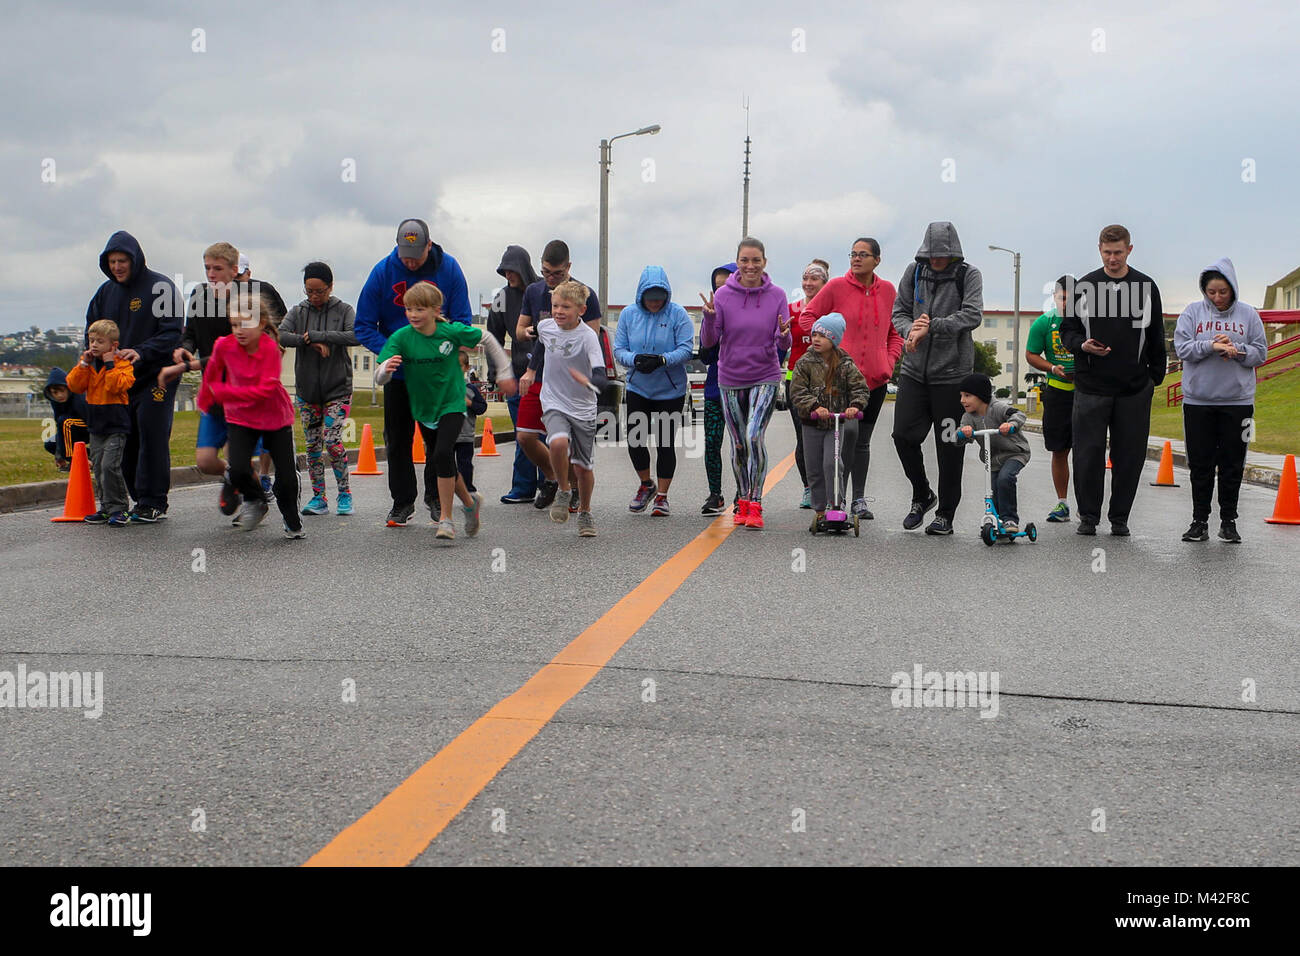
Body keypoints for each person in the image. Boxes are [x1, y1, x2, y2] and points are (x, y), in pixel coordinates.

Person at [355, 218, 475, 527]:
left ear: (429, 246)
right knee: (397, 439)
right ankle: (402, 501)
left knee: (437, 444)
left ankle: (437, 498)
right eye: (404, 253)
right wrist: (391, 354)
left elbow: (461, 318)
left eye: (416, 254)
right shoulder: (383, 271)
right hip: (399, 375)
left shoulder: (448, 269)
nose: (409, 260)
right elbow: (364, 325)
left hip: (436, 376)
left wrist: (450, 352)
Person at [374, 282, 516, 540]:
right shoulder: (401, 337)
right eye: (408, 309)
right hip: (424, 409)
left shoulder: (450, 332)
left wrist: (504, 371)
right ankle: (471, 505)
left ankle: (446, 520)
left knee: (441, 454)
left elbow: (487, 338)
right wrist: (385, 370)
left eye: (419, 309)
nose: (413, 314)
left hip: (452, 403)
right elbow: (380, 377)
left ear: (435, 309)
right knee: (445, 461)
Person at [1059, 224, 1166, 536]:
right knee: (1087, 454)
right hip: (1092, 385)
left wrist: (1154, 377)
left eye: (1118, 252)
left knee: (1129, 456)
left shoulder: (1146, 286)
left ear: (1129, 250)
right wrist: (1082, 345)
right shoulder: (1085, 286)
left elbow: (1156, 333)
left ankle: (1119, 518)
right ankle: (1088, 517)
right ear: (1099, 249)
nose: (1113, 258)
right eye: (1107, 252)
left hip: (1134, 387)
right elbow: (1068, 330)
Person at [160, 242, 272, 516]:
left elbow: (237, 350)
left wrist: (187, 368)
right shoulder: (199, 296)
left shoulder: (245, 302)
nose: (211, 273)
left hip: (240, 391)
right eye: (207, 268)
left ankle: (255, 501)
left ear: (234, 270)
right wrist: (184, 347)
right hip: (213, 390)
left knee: (239, 461)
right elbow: (191, 333)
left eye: (217, 268)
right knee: (206, 461)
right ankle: (233, 479)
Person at [890, 221, 984, 536]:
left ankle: (945, 514)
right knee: (902, 436)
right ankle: (922, 494)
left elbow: (973, 314)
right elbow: (899, 312)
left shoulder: (967, 275)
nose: (936, 261)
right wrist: (910, 331)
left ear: (954, 252)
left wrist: (935, 326)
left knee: (949, 446)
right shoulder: (914, 273)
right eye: (931, 255)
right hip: (914, 373)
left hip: (952, 378)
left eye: (942, 255)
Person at [84, 231, 182, 523]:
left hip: (157, 375)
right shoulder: (105, 292)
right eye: (112, 261)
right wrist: (91, 362)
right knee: (123, 436)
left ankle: (154, 501)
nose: (117, 266)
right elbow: (92, 332)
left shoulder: (160, 287)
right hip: (119, 380)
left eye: (122, 260)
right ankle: (126, 501)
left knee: (151, 431)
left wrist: (141, 351)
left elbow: (172, 332)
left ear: (135, 259)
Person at [802, 238, 902, 519]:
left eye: (863, 255)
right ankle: (838, 500)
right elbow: (808, 318)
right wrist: (827, 347)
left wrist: (889, 361)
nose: (856, 259)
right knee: (843, 438)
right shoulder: (835, 287)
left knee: (862, 441)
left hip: (875, 380)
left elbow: (895, 333)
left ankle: (859, 499)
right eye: (853, 254)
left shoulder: (889, 291)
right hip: (840, 380)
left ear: (877, 260)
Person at [1173, 257, 1268, 544]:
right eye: (1211, 292)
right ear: (1204, 290)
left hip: (1239, 402)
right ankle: (1199, 520)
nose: (1217, 298)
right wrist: (1211, 346)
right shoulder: (1192, 313)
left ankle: (1229, 521)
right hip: (1198, 401)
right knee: (1200, 463)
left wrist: (1236, 350)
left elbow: (1261, 353)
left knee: (1233, 462)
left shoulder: (1249, 315)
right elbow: (1182, 348)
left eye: (1223, 292)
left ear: (1233, 289)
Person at [700, 237, 791, 530]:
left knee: (754, 436)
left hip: (764, 374)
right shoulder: (724, 295)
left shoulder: (777, 295)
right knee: (739, 443)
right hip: (730, 378)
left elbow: (784, 342)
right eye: (745, 260)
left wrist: (784, 335)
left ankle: (756, 502)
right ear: (737, 262)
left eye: (756, 260)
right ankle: (741, 500)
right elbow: (709, 342)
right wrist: (708, 319)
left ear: (764, 262)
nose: (750, 266)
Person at [197, 291, 304, 538]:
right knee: (237, 470)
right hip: (241, 417)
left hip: (274, 417)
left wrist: (224, 392)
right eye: (234, 324)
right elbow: (211, 377)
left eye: (245, 324)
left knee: (286, 479)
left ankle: (291, 520)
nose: (238, 330)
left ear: (261, 324)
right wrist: (206, 403)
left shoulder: (269, 348)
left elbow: (264, 390)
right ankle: (257, 500)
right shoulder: (223, 345)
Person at [514, 239, 605, 512]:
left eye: (557, 273)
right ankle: (554, 478)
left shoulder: (583, 294)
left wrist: (590, 380)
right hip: (541, 375)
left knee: (574, 451)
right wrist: (530, 336)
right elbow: (520, 331)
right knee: (526, 436)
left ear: (569, 267)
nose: (551, 279)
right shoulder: (533, 291)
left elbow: (592, 337)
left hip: (575, 383)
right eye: (545, 272)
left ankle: (575, 490)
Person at [614, 266, 694, 516]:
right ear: (641, 295)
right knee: (636, 440)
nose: (655, 302)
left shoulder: (678, 314)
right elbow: (619, 349)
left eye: (660, 297)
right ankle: (646, 484)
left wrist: (662, 360)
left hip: (670, 389)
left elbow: (686, 348)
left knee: (664, 442)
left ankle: (662, 496)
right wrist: (636, 359)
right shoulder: (628, 314)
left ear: (667, 295)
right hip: (639, 385)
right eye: (650, 297)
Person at [279, 262, 358, 517]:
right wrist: (308, 341)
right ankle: (318, 497)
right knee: (313, 445)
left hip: (338, 388)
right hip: (307, 391)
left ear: (330, 287)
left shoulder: (344, 310)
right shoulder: (298, 311)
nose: (314, 297)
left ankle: (344, 494)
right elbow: (279, 335)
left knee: (333, 440)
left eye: (319, 291)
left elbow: (355, 336)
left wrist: (320, 335)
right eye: (309, 291)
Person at [789, 314, 870, 532]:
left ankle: (837, 504)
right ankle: (819, 510)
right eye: (814, 334)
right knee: (814, 467)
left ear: (834, 340)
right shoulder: (804, 363)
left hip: (836, 424)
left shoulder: (845, 363)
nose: (816, 339)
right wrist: (815, 407)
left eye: (822, 336)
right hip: (812, 423)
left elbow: (860, 388)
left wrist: (855, 406)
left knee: (833, 464)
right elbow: (797, 391)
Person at [486, 245, 543, 504]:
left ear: (523, 267)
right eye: (504, 271)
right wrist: (496, 371)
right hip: (518, 372)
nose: (508, 276)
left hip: (546, 373)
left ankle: (549, 481)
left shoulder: (542, 291)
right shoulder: (501, 298)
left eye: (512, 270)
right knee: (523, 432)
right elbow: (492, 337)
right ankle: (523, 487)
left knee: (545, 432)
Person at [66, 320, 135, 526]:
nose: (94, 345)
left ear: (113, 345)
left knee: (109, 466)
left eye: (100, 341)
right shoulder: (87, 366)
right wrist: (84, 364)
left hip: (116, 425)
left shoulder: (122, 364)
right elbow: (74, 385)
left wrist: (110, 363)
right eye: (91, 341)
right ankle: (106, 507)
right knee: (98, 467)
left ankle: (120, 508)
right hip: (97, 425)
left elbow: (118, 386)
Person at [1024, 276, 1077, 522]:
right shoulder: (1043, 323)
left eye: (1072, 298)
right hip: (1057, 391)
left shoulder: (1088, 322)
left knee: (1089, 451)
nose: (1066, 302)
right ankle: (1062, 503)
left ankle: (1089, 506)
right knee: (1059, 450)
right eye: (1062, 298)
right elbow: (1031, 355)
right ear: (1054, 298)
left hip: (1086, 393)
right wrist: (1052, 367)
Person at [956, 373, 1030, 533]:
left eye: (967, 395)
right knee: (993, 488)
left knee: (1005, 479)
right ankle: (999, 521)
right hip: (993, 460)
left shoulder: (998, 408)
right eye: (961, 395)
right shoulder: (968, 417)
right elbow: (957, 437)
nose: (962, 400)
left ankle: (1010, 519)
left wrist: (1011, 425)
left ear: (981, 395)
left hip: (1015, 453)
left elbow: (1019, 414)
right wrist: (963, 432)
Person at [786, 260, 829, 508]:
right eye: (805, 278)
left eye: (814, 279)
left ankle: (829, 485)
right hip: (796, 380)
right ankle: (808, 487)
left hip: (826, 381)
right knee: (804, 438)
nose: (808, 283)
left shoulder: (832, 311)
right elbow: (780, 341)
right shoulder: (791, 309)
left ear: (825, 283)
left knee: (827, 436)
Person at [697, 263, 736, 516]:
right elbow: (705, 356)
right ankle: (715, 494)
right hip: (715, 388)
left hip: (743, 388)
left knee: (742, 444)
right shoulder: (710, 313)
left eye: (726, 286)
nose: (720, 291)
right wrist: (711, 322)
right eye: (717, 287)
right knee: (712, 442)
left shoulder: (751, 311)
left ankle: (744, 493)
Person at [456, 347, 489, 499]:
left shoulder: (470, 389)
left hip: (465, 435)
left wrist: (470, 404)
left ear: (466, 368)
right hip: (446, 435)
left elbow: (482, 407)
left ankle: (468, 489)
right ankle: (441, 491)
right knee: (444, 464)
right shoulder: (442, 386)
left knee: (465, 464)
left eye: (459, 366)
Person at [42, 367, 89, 471]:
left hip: (89, 428)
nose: (59, 395)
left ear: (68, 388)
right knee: (50, 444)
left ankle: (73, 460)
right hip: (70, 429)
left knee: (65, 421)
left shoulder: (79, 397)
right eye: (55, 392)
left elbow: (91, 421)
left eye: (62, 391)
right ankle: (88, 458)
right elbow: (59, 427)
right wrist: (58, 453)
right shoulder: (55, 402)